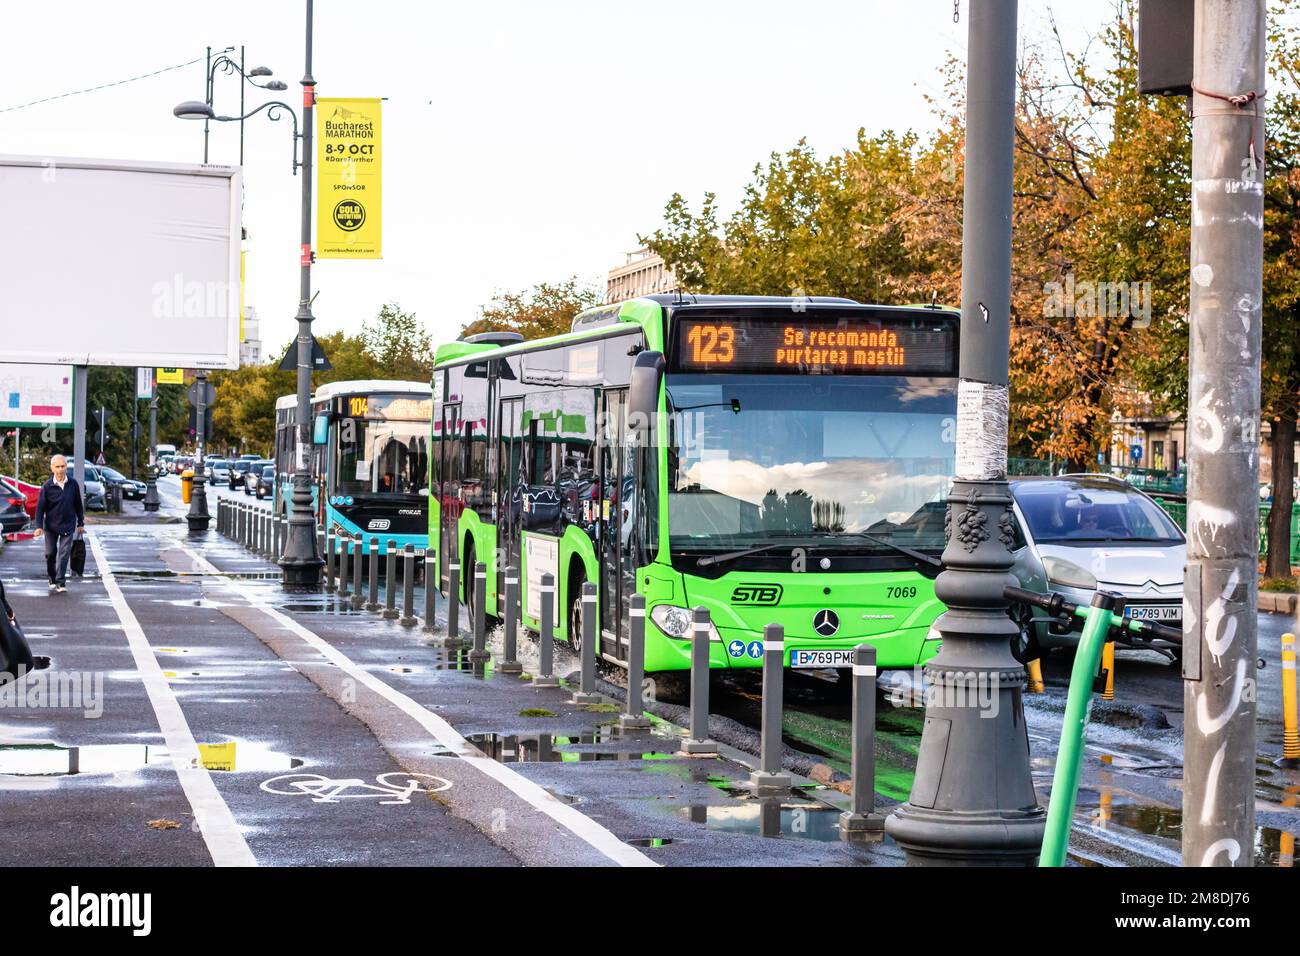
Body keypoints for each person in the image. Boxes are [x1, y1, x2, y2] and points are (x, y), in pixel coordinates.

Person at [33, 455, 85, 594]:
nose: (60, 469)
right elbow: (40, 508)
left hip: (68, 525)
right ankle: (52, 577)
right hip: (50, 526)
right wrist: (38, 526)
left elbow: (78, 505)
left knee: (64, 554)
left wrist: (81, 522)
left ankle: (61, 582)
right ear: (52, 468)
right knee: (50, 554)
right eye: (57, 467)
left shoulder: (73, 484)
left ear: (66, 467)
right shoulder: (47, 486)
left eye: (63, 466)